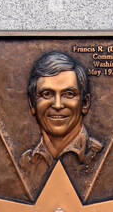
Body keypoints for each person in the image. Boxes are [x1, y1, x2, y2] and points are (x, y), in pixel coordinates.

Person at [20, 51, 102, 179]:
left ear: (85, 103)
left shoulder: (101, 158)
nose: (58, 105)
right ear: (32, 105)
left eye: (69, 94)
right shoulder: (25, 163)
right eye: (47, 94)